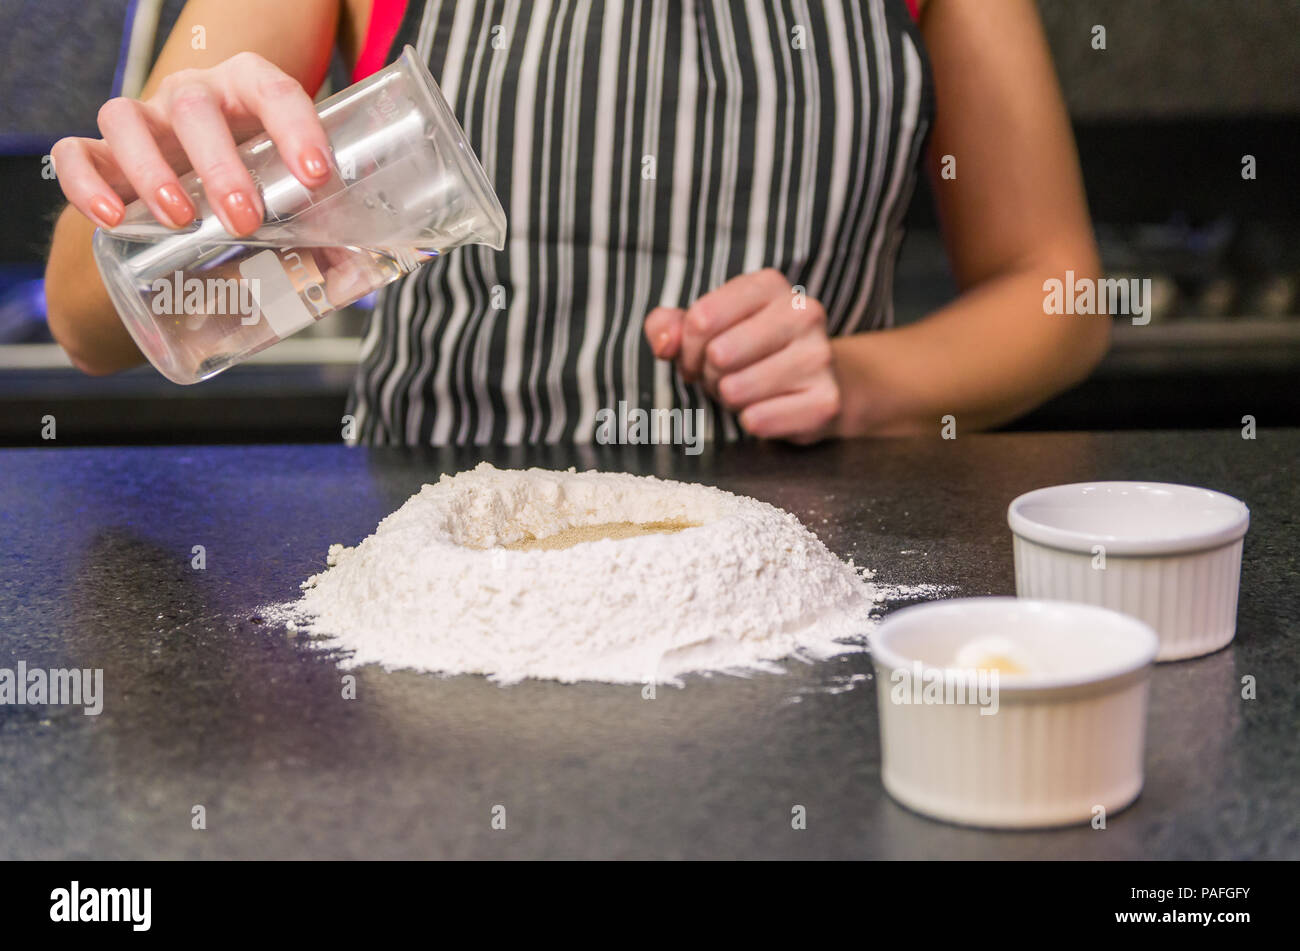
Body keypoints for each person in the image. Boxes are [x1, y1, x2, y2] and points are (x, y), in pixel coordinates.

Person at [46, 0, 1107, 445]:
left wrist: (862, 382)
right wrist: (167, 202)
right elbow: (85, 320)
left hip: (799, 569)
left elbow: (1056, 289)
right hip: (434, 587)